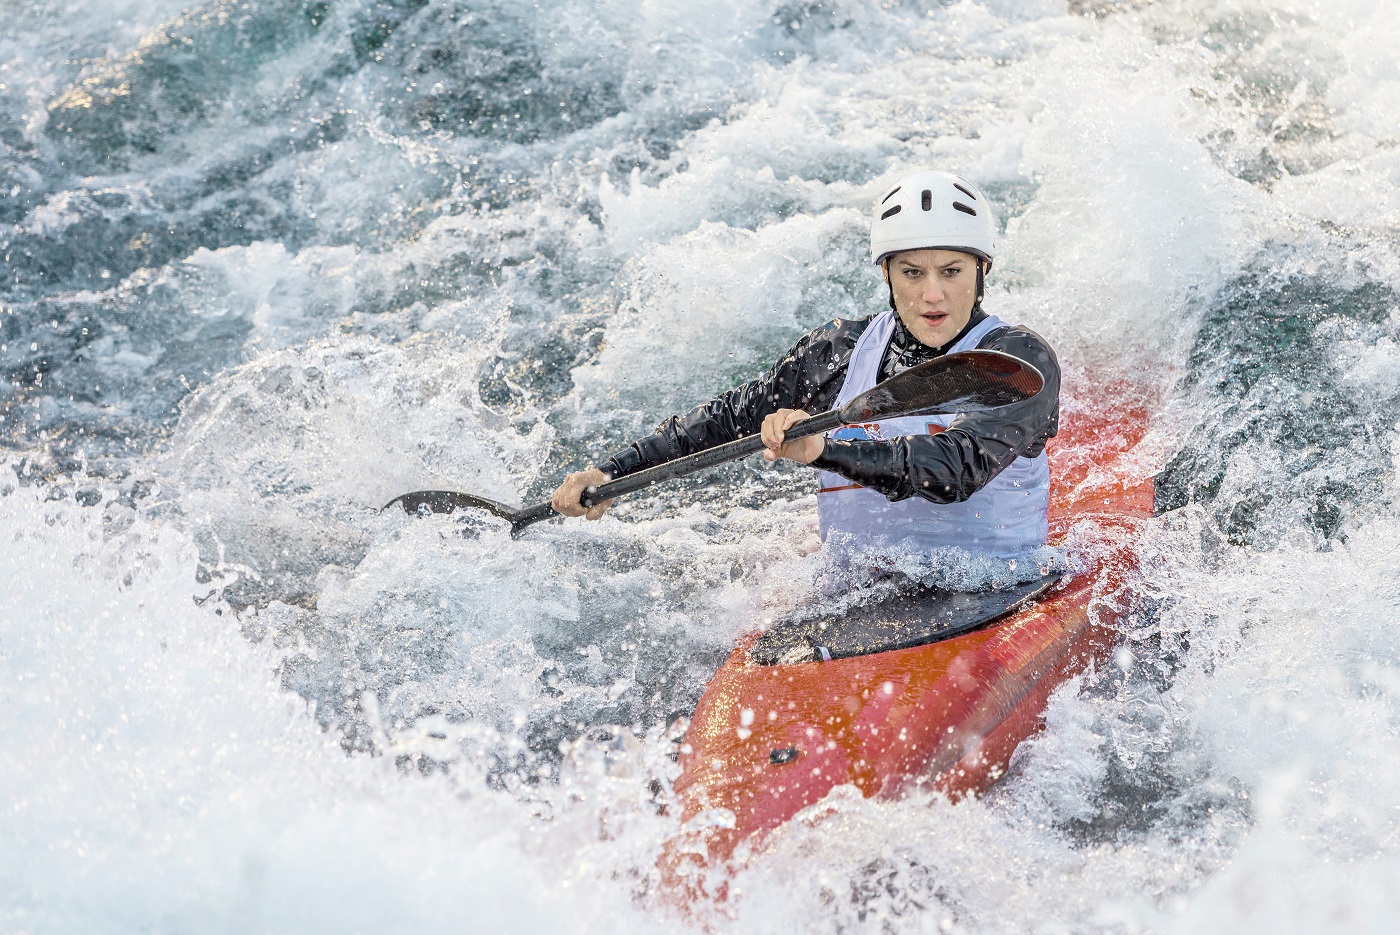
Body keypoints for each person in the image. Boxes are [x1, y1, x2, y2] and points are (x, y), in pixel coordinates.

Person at [551, 170, 1059, 559]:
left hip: (993, 587)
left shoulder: (1016, 363)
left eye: (951, 271)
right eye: (911, 272)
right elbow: (729, 419)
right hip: (856, 592)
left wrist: (821, 450)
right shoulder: (838, 351)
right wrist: (610, 473)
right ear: (885, 271)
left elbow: (955, 471)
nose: (932, 294)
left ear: (982, 267)